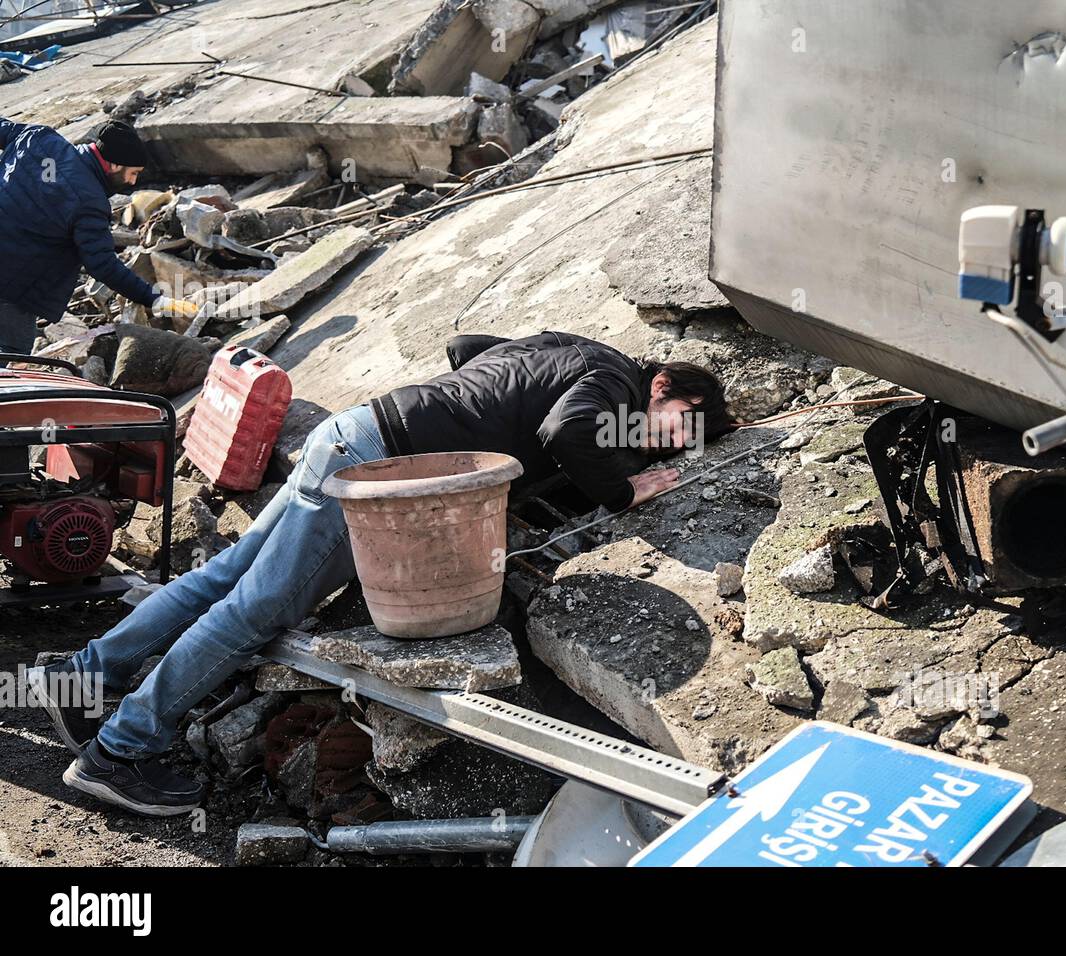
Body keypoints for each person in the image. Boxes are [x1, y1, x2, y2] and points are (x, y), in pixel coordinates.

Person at [27, 331, 733, 816]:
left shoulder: (571, 352)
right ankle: (119, 752)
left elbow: (469, 351)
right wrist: (626, 490)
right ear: (662, 381)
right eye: (680, 419)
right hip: (373, 474)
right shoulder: (613, 379)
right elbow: (567, 434)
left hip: (355, 432)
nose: (669, 437)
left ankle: (85, 676)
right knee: (257, 611)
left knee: (226, 578)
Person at [0, 118, 192, 355]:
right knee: (8, 366)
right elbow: (103, 265)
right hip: (12, 294)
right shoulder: (89, 202)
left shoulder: (38, 138)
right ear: (112, 165)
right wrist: (154, 299)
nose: (132, 182)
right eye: (133, 173)